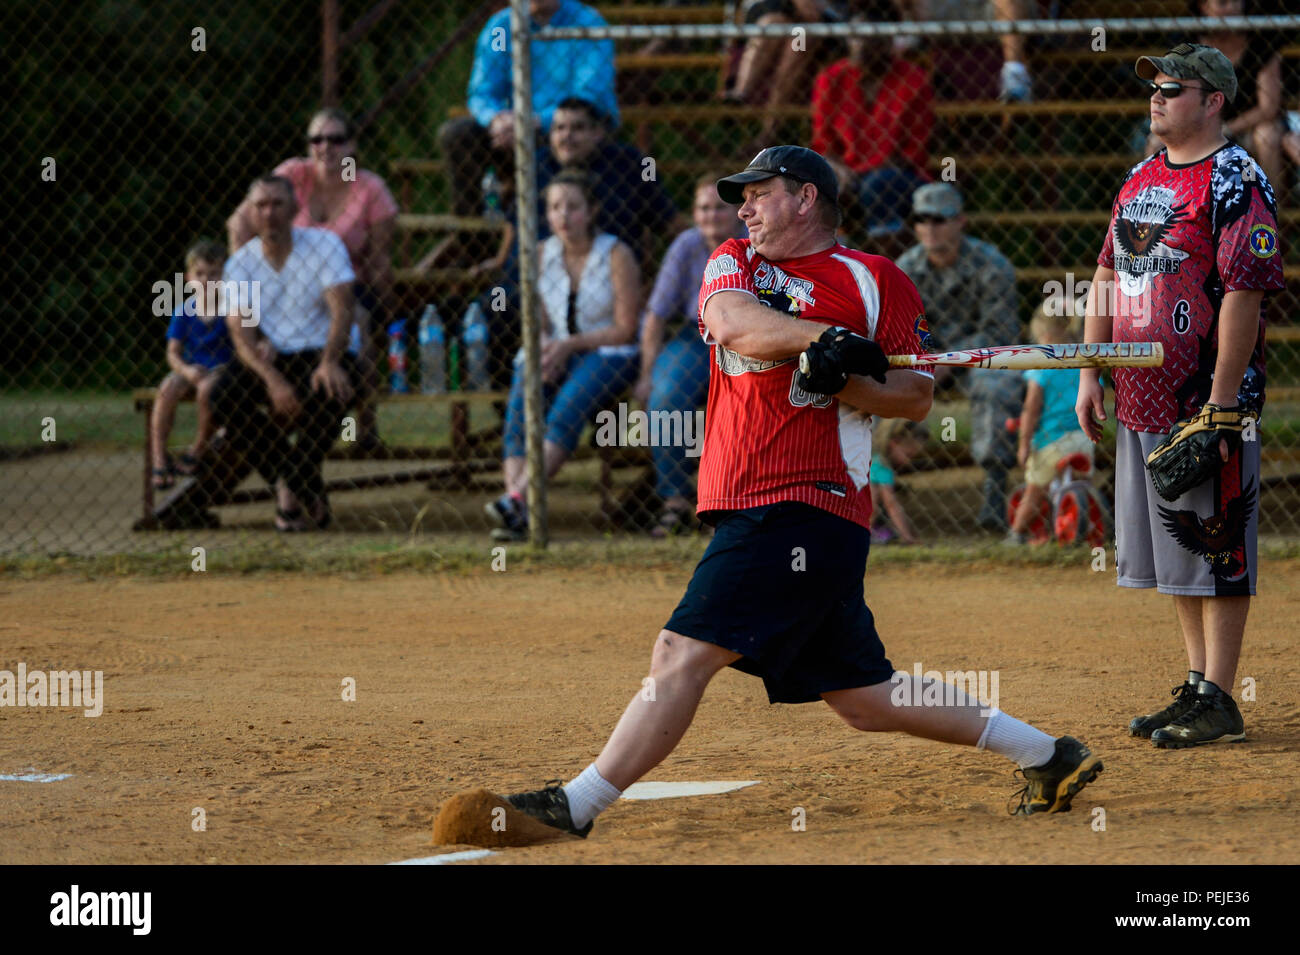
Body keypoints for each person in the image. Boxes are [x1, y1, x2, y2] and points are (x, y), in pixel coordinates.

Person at [497, 146, 1102, 839]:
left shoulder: (876, 281)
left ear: (807, 198)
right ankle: (1048, 755)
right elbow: (731, 323)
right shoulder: (736, 261)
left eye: (760, 193)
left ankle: (577, 804)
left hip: (804, 503)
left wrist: (844, 376)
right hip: (758, 501)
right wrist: (823, 339)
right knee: (866, 698)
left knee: (680, 651)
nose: (744, 207)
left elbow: (916, 396)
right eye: (741, 197)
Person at [1076, 44, 1283, 747]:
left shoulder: (1235, 178)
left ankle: (1221, 694)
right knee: (1177, 546)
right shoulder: (1141, 176)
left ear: (1214, 100)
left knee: (1216, 538)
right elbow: (1105, 273)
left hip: (1203, 397)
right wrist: (1089, 369)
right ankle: (1198, 685)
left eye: (1173, 87)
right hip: (1140, 396)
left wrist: (1222, 401)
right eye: (1154, 87)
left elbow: (1245, 293)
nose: (1156, 97)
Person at [227, 108, 398, 450]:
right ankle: (286, 417)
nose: (326, 147)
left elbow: (379, 259)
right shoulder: (293, 175)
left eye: (336, 139)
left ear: (351, 145)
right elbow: (239, 224)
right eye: (316, 139)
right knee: (260, 330)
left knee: (359, 321)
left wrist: (390, 308)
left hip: (347, 287)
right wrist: (247, 273)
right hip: (287, 284)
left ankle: (362, 421)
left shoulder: (368, 188)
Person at [483, 170, 640, 542]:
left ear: (592, 211)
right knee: (522, 403)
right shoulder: (539, 254)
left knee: (566, 407)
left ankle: (517, 498)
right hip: (556, 349)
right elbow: (535, 319)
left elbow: (625, 328)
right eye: (555, 207)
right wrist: (545, 350)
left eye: (573, 207)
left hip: (608, 351)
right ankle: (518, 513)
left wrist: (569, 345)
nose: (564, 216)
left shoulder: (616, 254)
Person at [212, 175, 359, 533]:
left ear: (295, 209)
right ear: (249, 213)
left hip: (322, 350)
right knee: (223, 396)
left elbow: (343, 310)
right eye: (260, 205)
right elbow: (241, 336)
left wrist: (329, 361)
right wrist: (273, 381)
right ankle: (301, 482)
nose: (269, 213)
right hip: (273, 358)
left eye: (278, 204)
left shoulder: (325, 245)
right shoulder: (240, 265)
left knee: (332, 389)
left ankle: (287, 489)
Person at [437, 0, 616, 259]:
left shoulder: (588, 24)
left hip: (565, 126)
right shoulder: (500, 28)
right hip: (508, 130)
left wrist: (532, 122)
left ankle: (547, 240)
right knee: (457, 135)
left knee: (567, 132)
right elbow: (482, 93)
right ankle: (476, 249)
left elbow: (587, 97)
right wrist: (495, 119)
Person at [896, 183, 1022, 531]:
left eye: (939, 218)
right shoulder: (903, 270)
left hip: (980, 360)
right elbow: (899, 333)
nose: (930, 227)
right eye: (922, 219)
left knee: (996, 383)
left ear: (960, 221)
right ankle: (876, 497)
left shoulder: (992, 264)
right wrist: (928, 362)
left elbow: (1000, 335)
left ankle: (995, 492)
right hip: (924, 362)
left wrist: (947, 362)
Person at [634, 172, 747, 536]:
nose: (709, 216)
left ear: (739, 211)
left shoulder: (756, 242)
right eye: (702, 208)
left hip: (749, 337)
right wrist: (646, 375)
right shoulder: (686, 245)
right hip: (695, 334)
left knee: (746, 406)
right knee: (665, 398)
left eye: (718, 208)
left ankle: (730, 504)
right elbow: (655, 315)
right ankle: (675, 502)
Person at [811, 0, 934, 244]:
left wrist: (862, 173)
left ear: (888, 42)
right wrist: (838, 169)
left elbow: (913, 151)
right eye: (855, 38)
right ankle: (832, 265)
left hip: (899, 174)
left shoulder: (913, 79)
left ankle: (884, 272)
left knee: (878, 186)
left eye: (871, 38)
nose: (861, 47)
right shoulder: (832, 78)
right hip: (847, 173)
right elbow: (823, 143)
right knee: (820, 185)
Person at [1144, 2, 1284, 187]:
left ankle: (1269, 207)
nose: (1232, 9)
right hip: (1197, 121)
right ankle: (1160, 207)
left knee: (1268, 135)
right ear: (1203, 7)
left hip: (1247, 125)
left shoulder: (1260, 44)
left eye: (1237, 2)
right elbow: (1176, 96)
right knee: (1156, 142)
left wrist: (1227, 129)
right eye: (1222, 3)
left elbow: (1268, 108)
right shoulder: (1188, 45)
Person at [1005, 300, 1092, 546]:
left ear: (1042, 333)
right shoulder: (1082, 359)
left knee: (1035, 487)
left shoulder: (1042, 363)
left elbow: (1031, 409)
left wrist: (1023, 443)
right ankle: (1086, 524)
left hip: (1050, 441)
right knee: (1083, 484)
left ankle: (1017, 533)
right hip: (1083, 439)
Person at [150, 241, 233, 489]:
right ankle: (159, 458)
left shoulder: (232, 309)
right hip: (193, 368)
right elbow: (173, 353)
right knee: (166, 388)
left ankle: (197, 449)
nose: (206, 280)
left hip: (222, 370)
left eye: (214, 274)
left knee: (209, 388)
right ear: (188, 278)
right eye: (200, 274)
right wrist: (186, 370)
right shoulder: (184, 311)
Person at [869, 417, 927, 545]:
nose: (908, 462)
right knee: (872, 504)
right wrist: (907, 536)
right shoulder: (883, 467)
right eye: (908, 455)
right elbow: (891, 504)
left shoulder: (874, 459)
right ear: (894, 443)